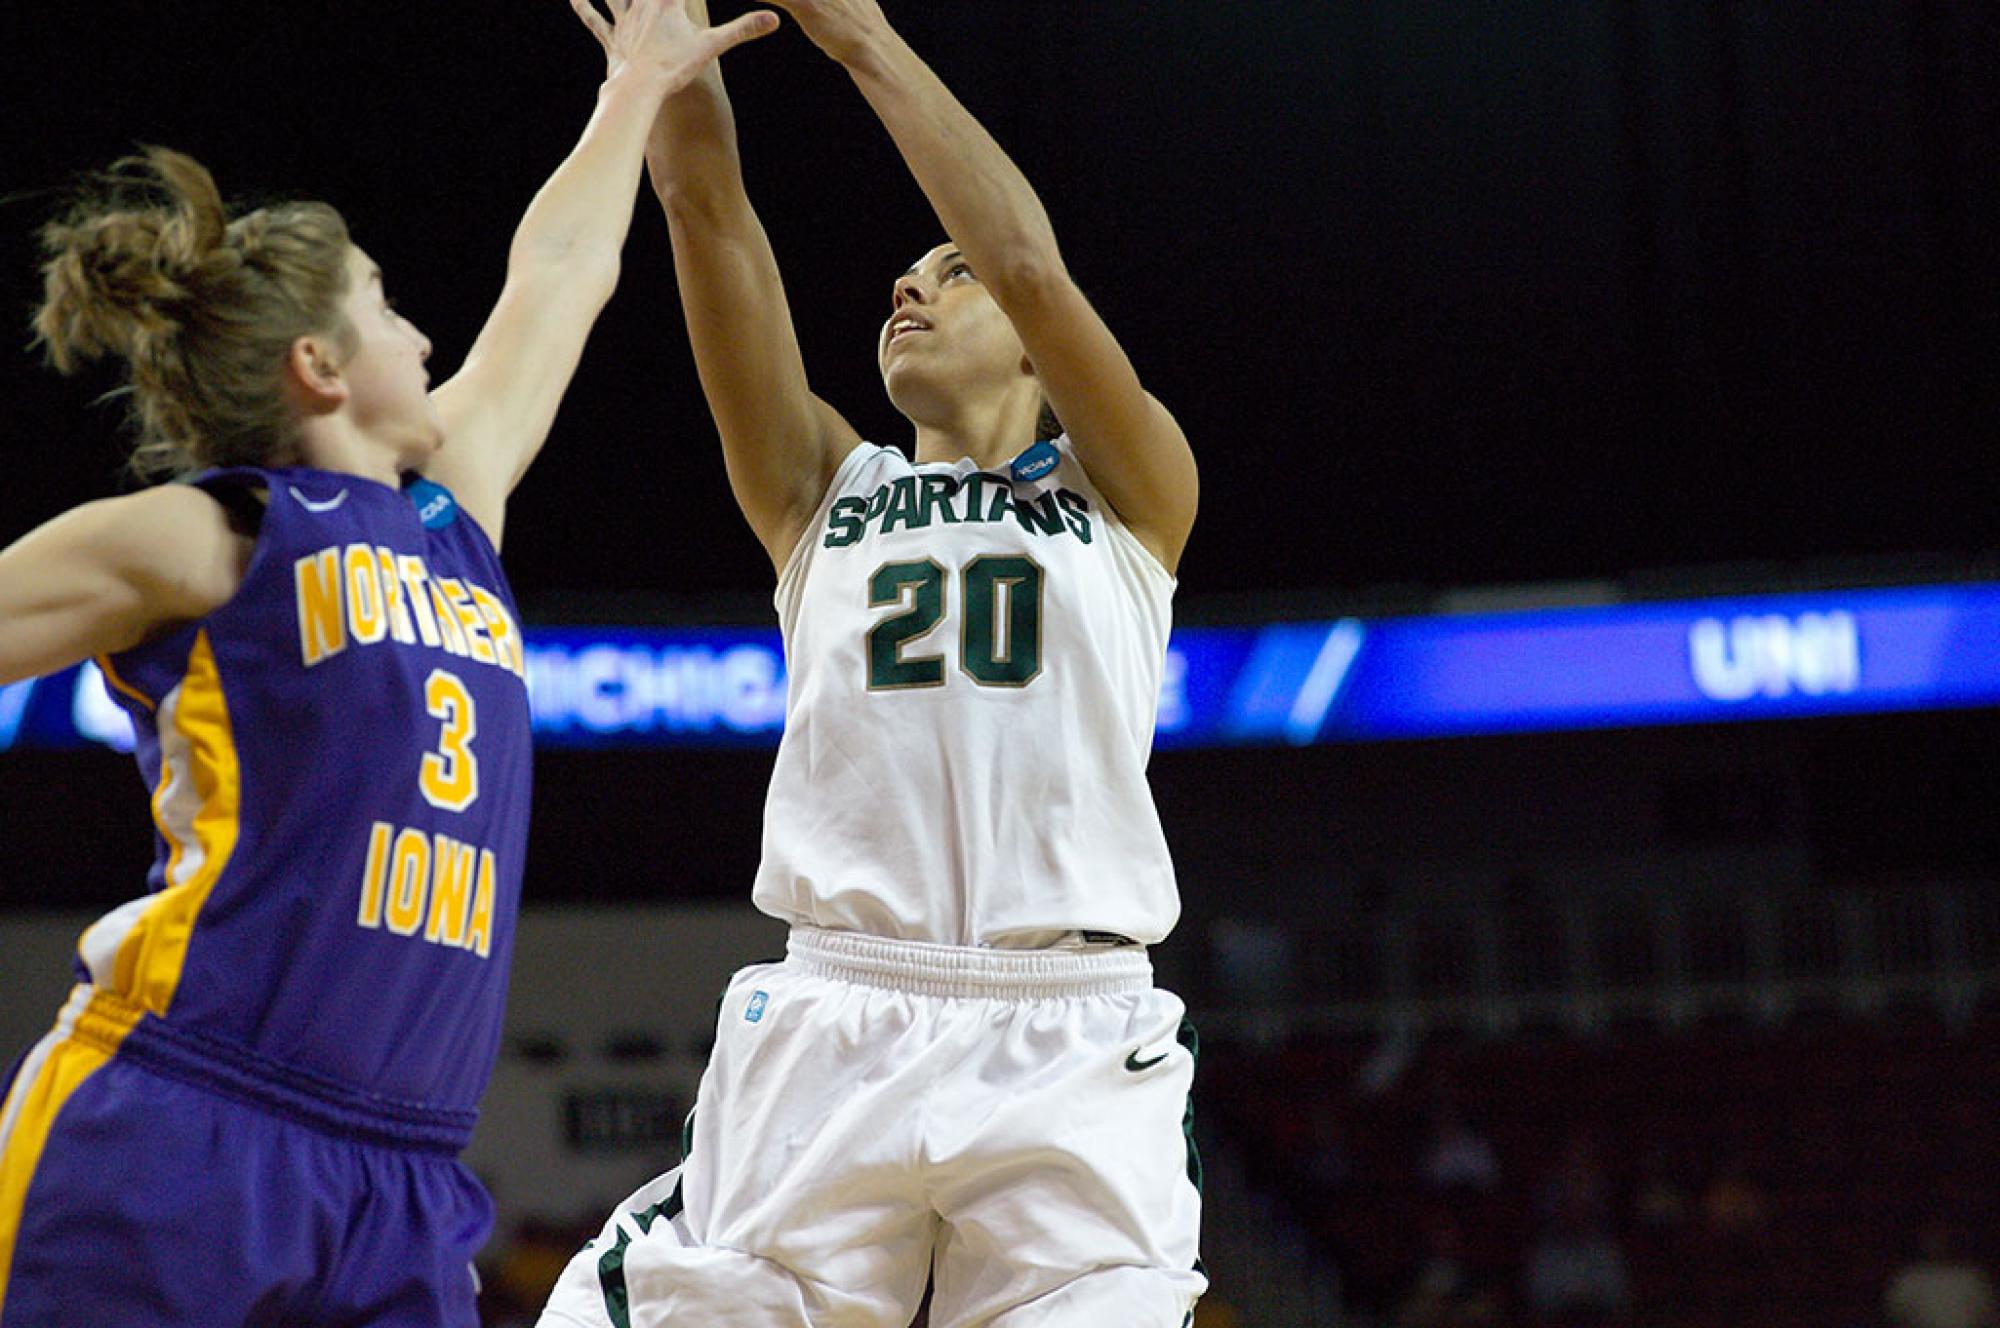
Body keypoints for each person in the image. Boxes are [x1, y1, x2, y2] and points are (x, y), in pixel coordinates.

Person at [0, 4, 777, 1324]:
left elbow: (558, 282)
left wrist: (635, 88)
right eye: (388, 305)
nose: (425, 339)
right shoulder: (213, 533)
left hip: (406, 1174)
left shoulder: (451, 514)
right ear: (318, 367)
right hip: (180, 1119)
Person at [538, 1, 1203, 1325]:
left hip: (1066, 1027)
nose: (910, 286)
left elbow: (1029, 259)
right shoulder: (820, 491)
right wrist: (671, 63)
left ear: (1031, 345)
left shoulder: (1134, 497)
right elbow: (712, 217)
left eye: (947, 274)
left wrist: (863, 40)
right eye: (907, 274)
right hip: (839, 1009)